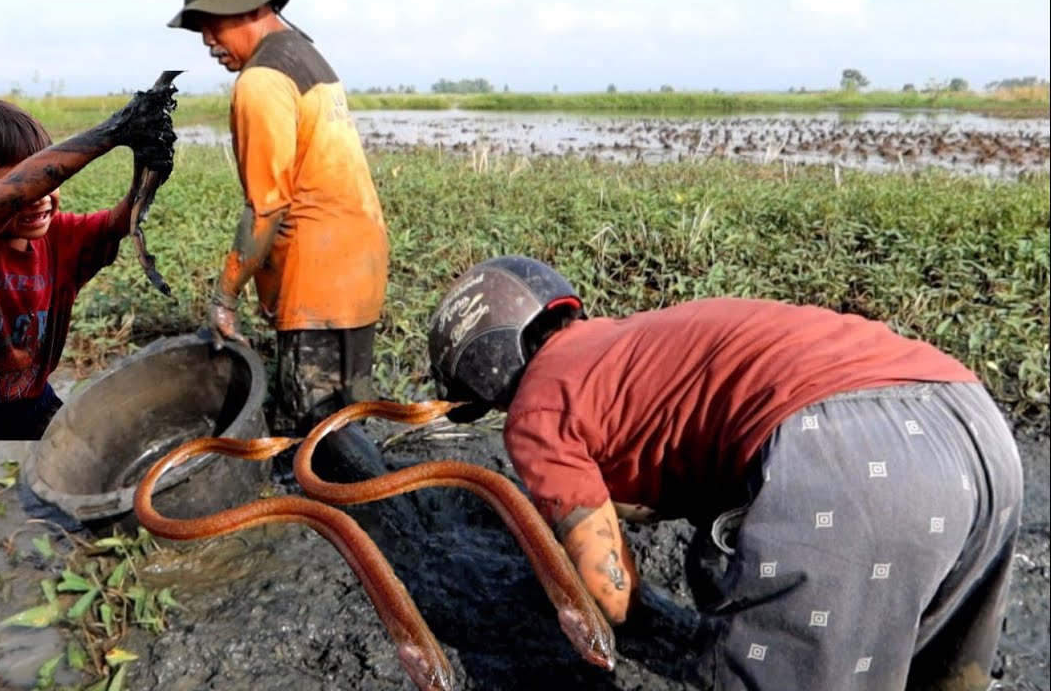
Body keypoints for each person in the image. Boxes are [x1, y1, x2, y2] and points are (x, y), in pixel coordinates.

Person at [428, 255, 1023, 691]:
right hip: (974, 426)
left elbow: (607, 589)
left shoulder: (540, 402)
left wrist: (642, 629)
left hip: (849, 457)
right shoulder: (629, 345)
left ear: (486, 372)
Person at [167, 0, 390, 445]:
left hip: (317, 277)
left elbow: (266, 207)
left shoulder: (261, 81)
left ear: (251, 10)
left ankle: (336, 514)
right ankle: (362, 506)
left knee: (315, 439)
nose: (207, 41)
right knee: (349, 424)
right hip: (360, 264)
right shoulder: (305, 54)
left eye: (213, 25)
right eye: (201, 28)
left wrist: (224, 298)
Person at [0, 94, 174, 440]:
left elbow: (117, 222)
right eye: (32, 182)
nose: (42, 195)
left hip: (36, 399)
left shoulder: (59, 237)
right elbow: (1, 204)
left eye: (50, 181)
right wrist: (117, 129)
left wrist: (148, 165)